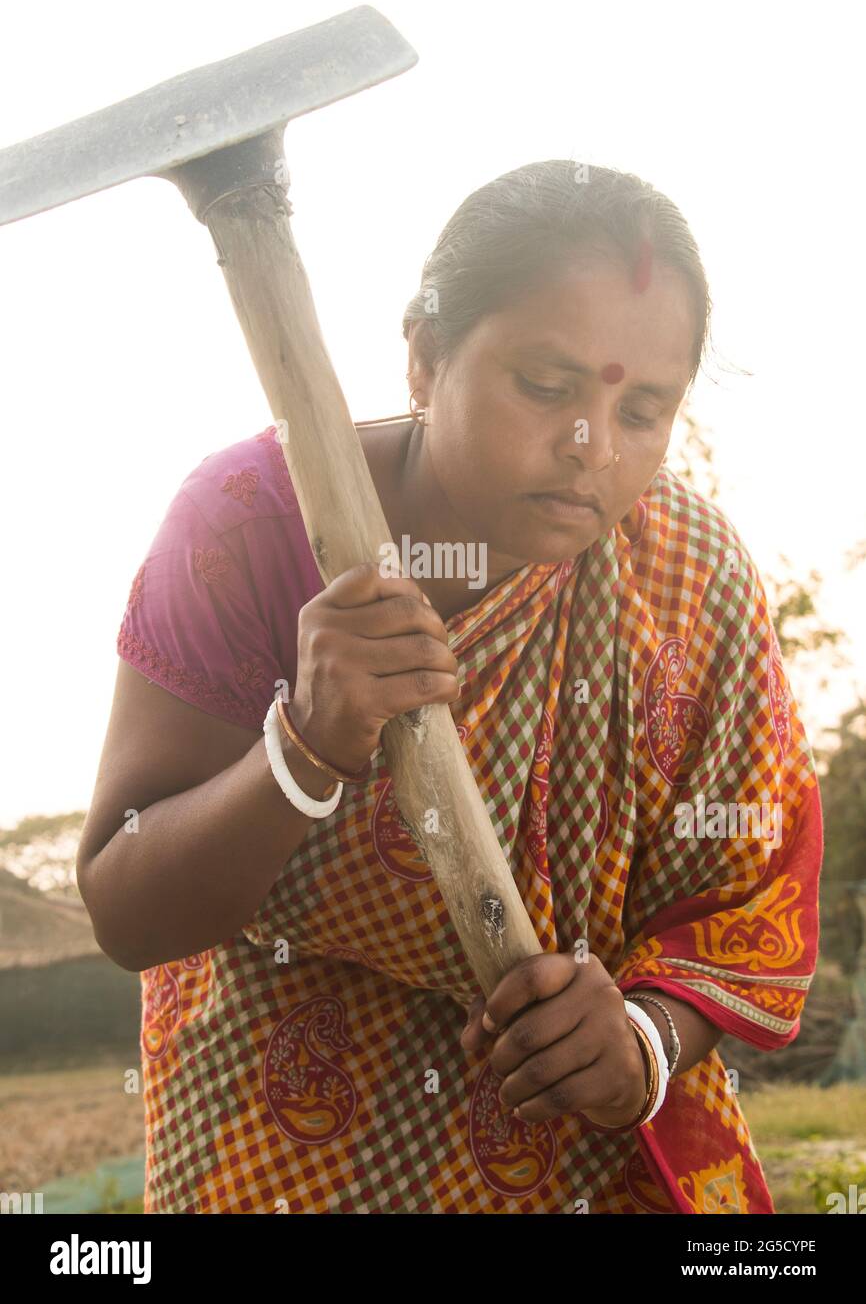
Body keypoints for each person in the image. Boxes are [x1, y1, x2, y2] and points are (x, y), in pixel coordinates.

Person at [77, 160, 823, 1214]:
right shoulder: (245, 525)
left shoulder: (689, 573)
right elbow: (124, 903)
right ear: (425, 358)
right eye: (546, 387)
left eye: (642, 411)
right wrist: (304, 748)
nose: (588, 449)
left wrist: (640, 1042)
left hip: (570, 1140)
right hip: (279, 1136)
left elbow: (745, 894)